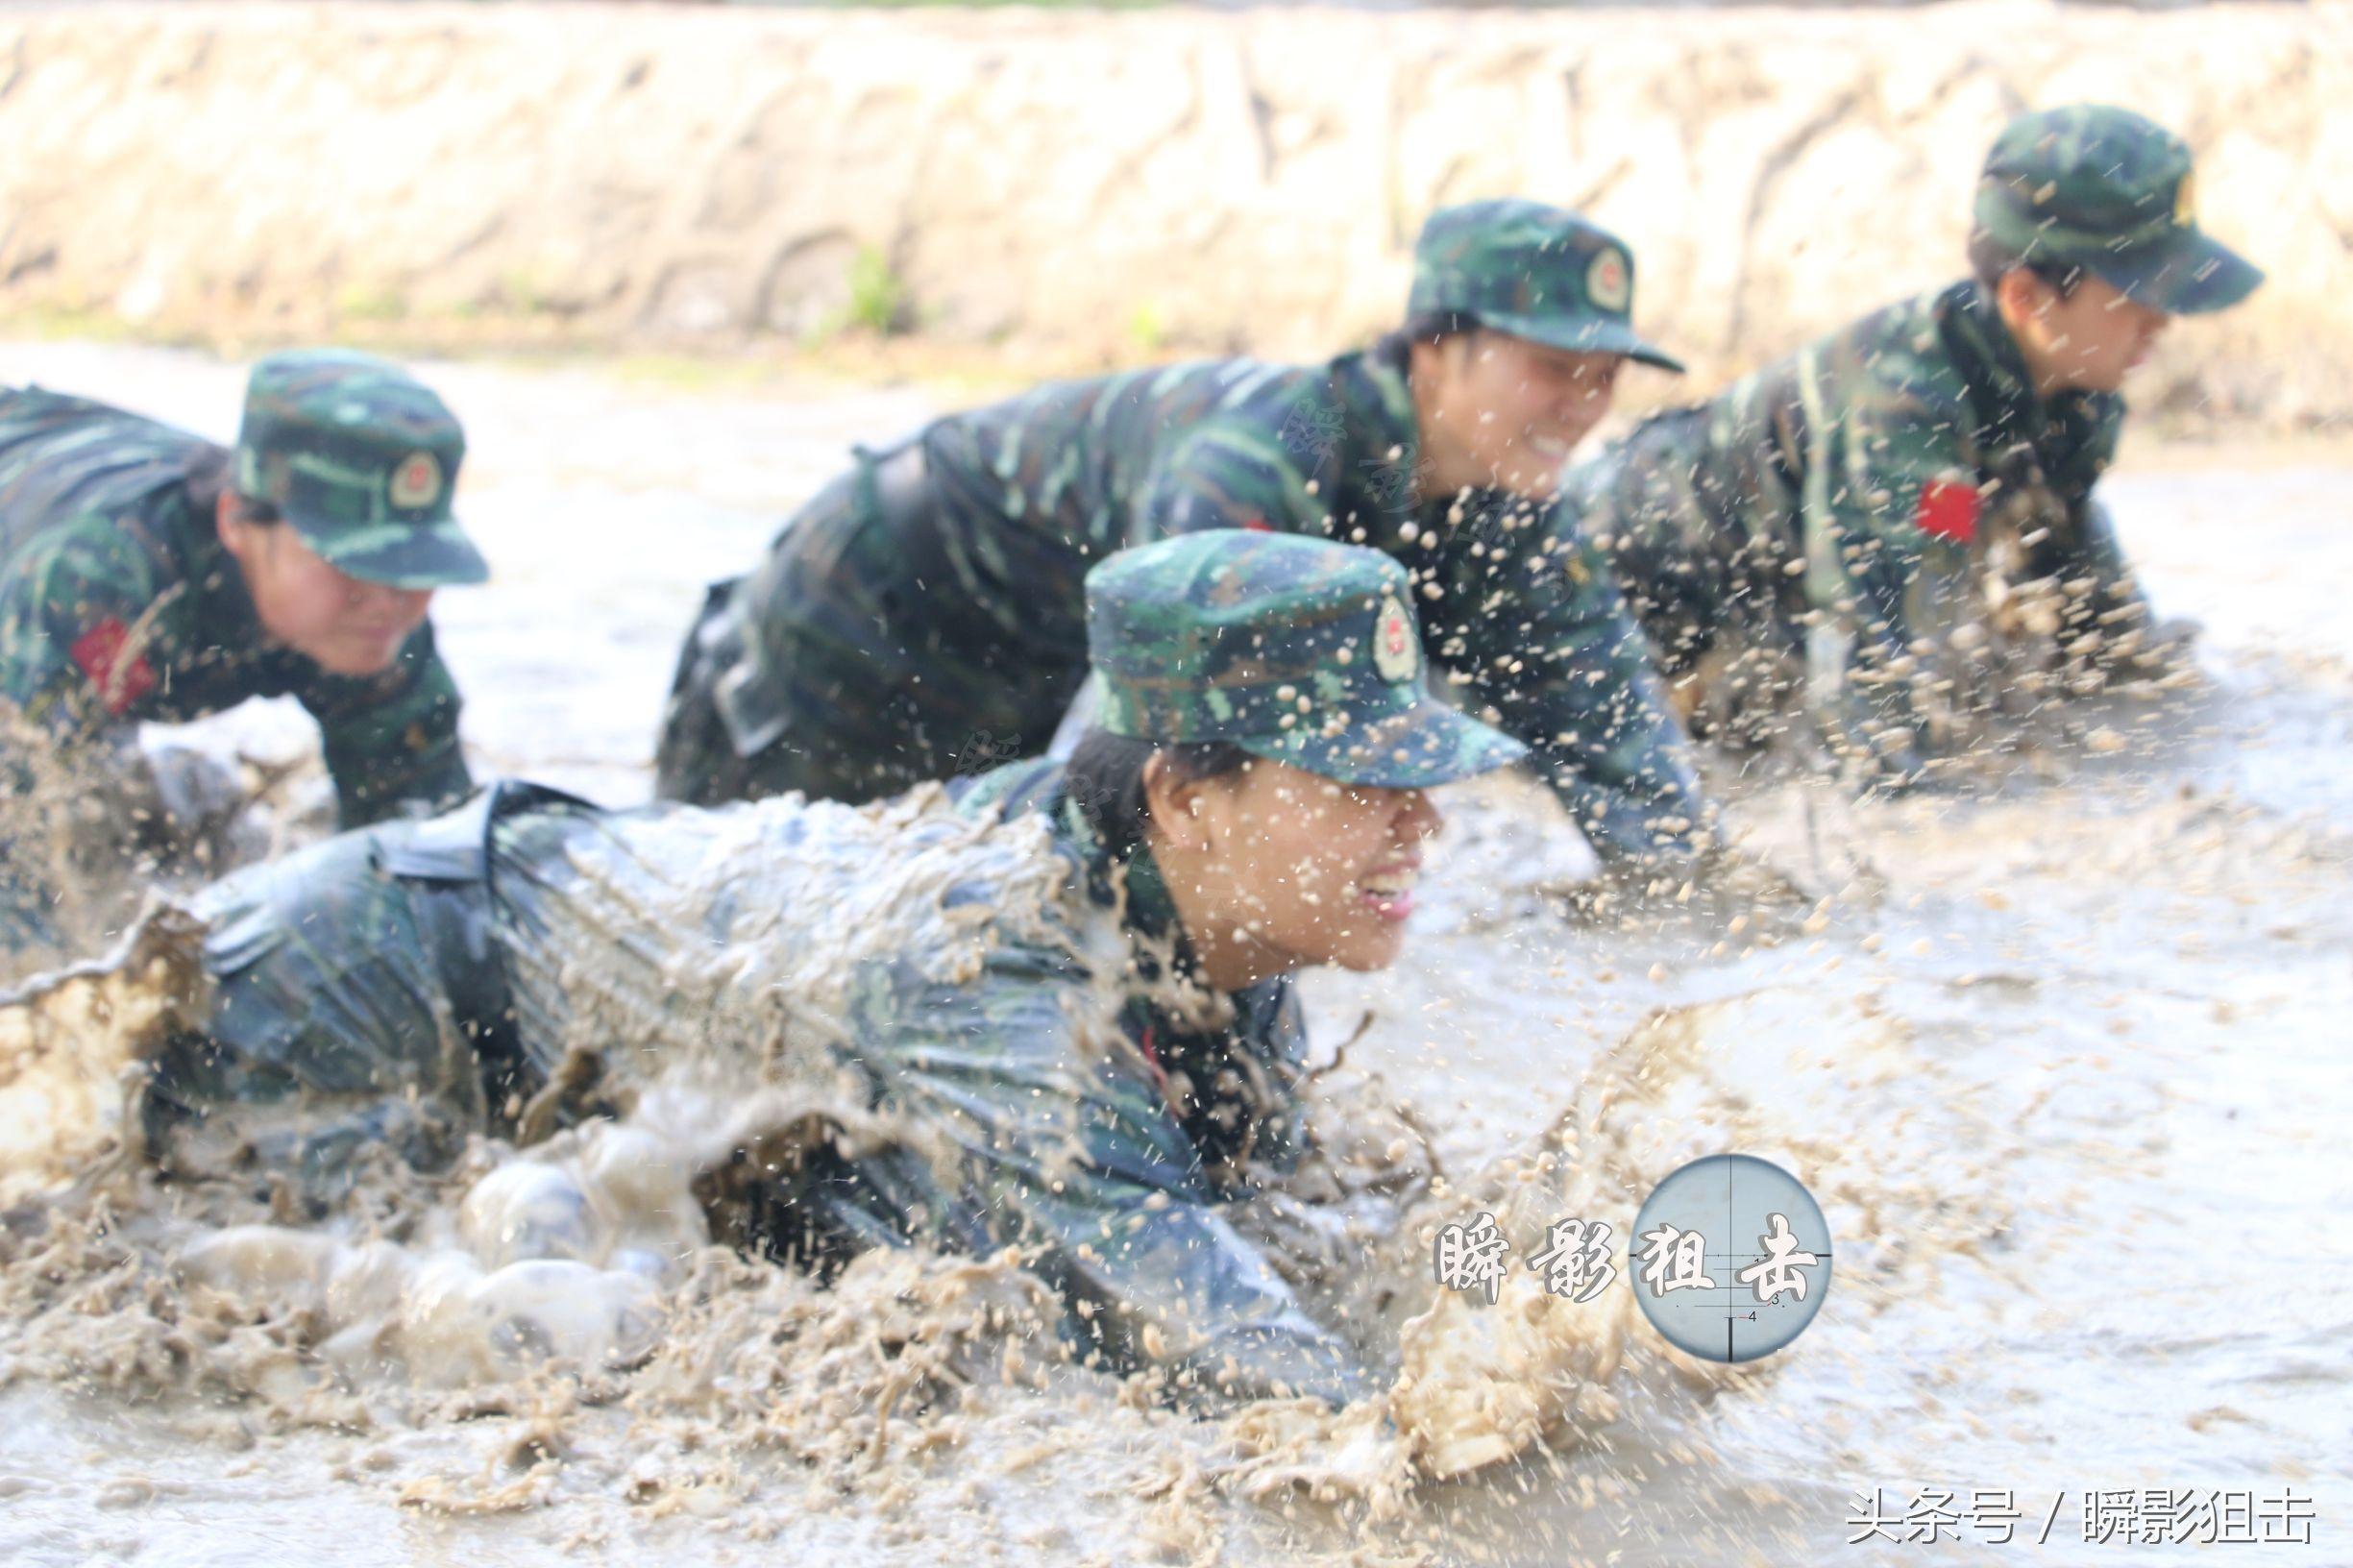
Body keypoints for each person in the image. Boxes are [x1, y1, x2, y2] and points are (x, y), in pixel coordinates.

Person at [131, 529, 1527, 1408]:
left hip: (543, 951)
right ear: (1184, 796)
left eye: (1419, 777)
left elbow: (1296, 1239)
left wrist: (1579, 1271)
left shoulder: (1235, 933)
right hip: (373, 972)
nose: (1422, 819)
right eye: (1359, 779)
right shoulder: (1007, 975)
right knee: (141, 1237)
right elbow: (1231, 1358)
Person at [656, 199, 1709, 870]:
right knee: (785, 886)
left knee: (948, 865)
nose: (1583, 402)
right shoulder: (1279, 448)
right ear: (1435, 351)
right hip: (876, 607)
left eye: (1603, 374)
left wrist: (1693, 896)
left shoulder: (1505, 502)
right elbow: (1169, 753)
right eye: (1549, 365)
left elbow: (1602, 709)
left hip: (1025, 643)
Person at [1563, 104, 2261, 776]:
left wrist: (2173, 718)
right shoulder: (1902, 412)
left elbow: (2092, 613)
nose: (2161, 319)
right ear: (2026, 297)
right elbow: (1871, 688)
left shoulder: (2076, 393)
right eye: (2137, 289)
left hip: (1771, 599)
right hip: (1593, 599)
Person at [0, 350, 488, 947]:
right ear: (239, 523)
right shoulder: (97, 587)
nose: (388, 598)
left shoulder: (377, 633)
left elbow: (429, 858)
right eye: (351, 561)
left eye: (414, 564)